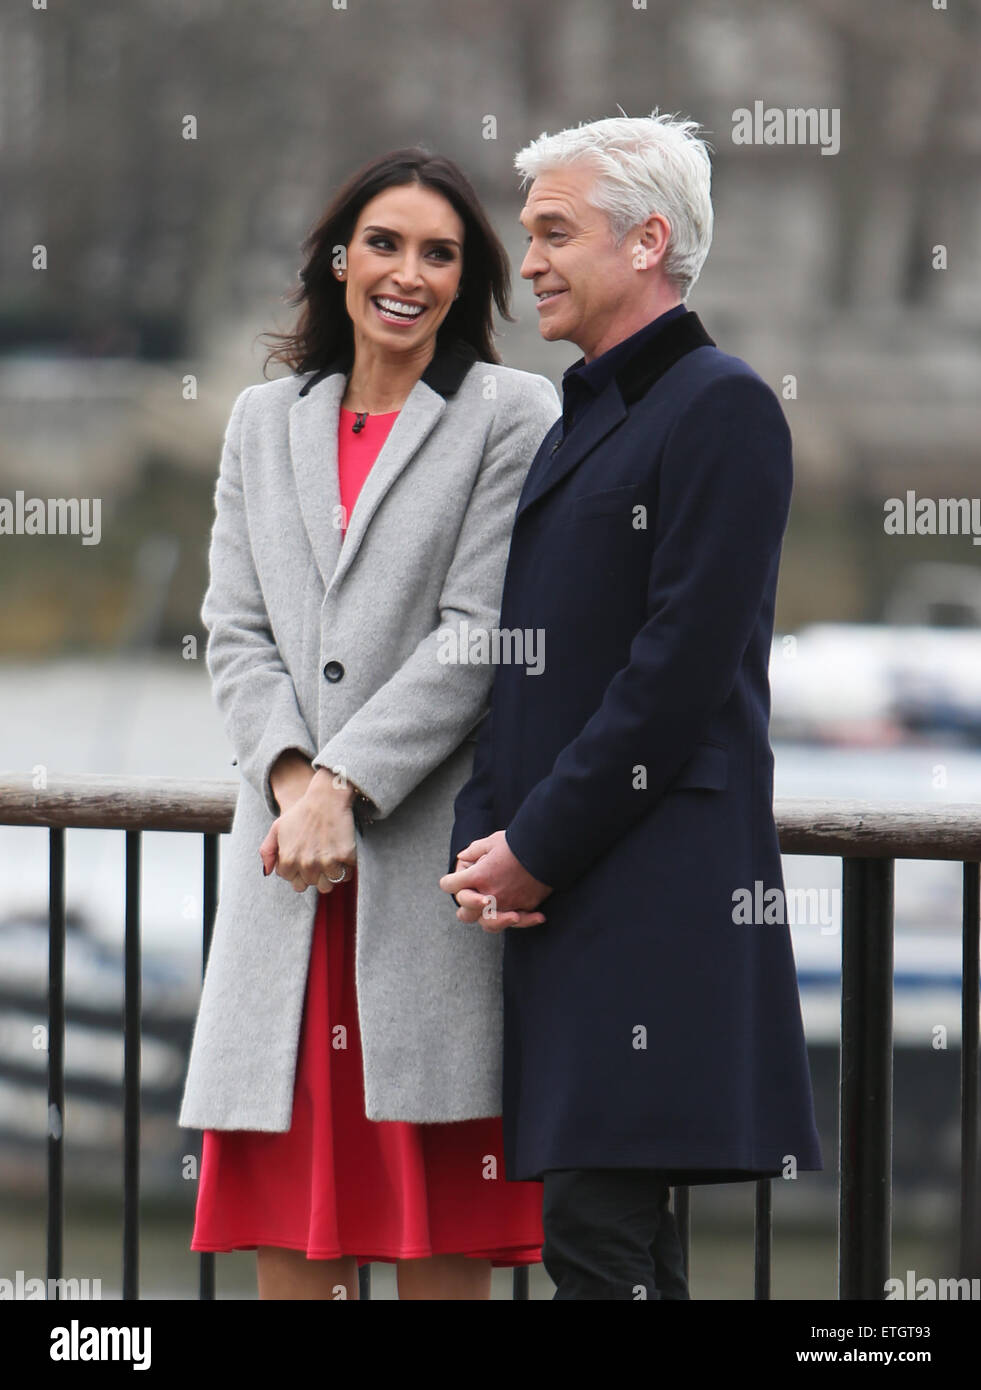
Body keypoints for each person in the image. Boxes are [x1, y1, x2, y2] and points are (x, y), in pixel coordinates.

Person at [441, 113, 824, 1300]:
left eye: (555, 231)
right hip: (573, 893)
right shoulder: (586, 416)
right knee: (616, 1243)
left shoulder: (720, 406)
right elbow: (533, 662)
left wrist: (535, 847)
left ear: (648, 239)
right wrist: (483, 828)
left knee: (599, 1243)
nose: (532, 260)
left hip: (653, 889)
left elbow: (678, 672)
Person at [177, 147, 560, 1300]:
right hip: (286, 889)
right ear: (339, 259)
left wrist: (342, 787)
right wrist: (296, 785)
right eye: (384, 244)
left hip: (421, 893)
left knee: (439, 1242)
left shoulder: (510, 412)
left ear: (468, 281)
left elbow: (477, 635)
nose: (408, 273)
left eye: (440, 253)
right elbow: (234, 631)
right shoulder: (259, 420)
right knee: (294, 1258)